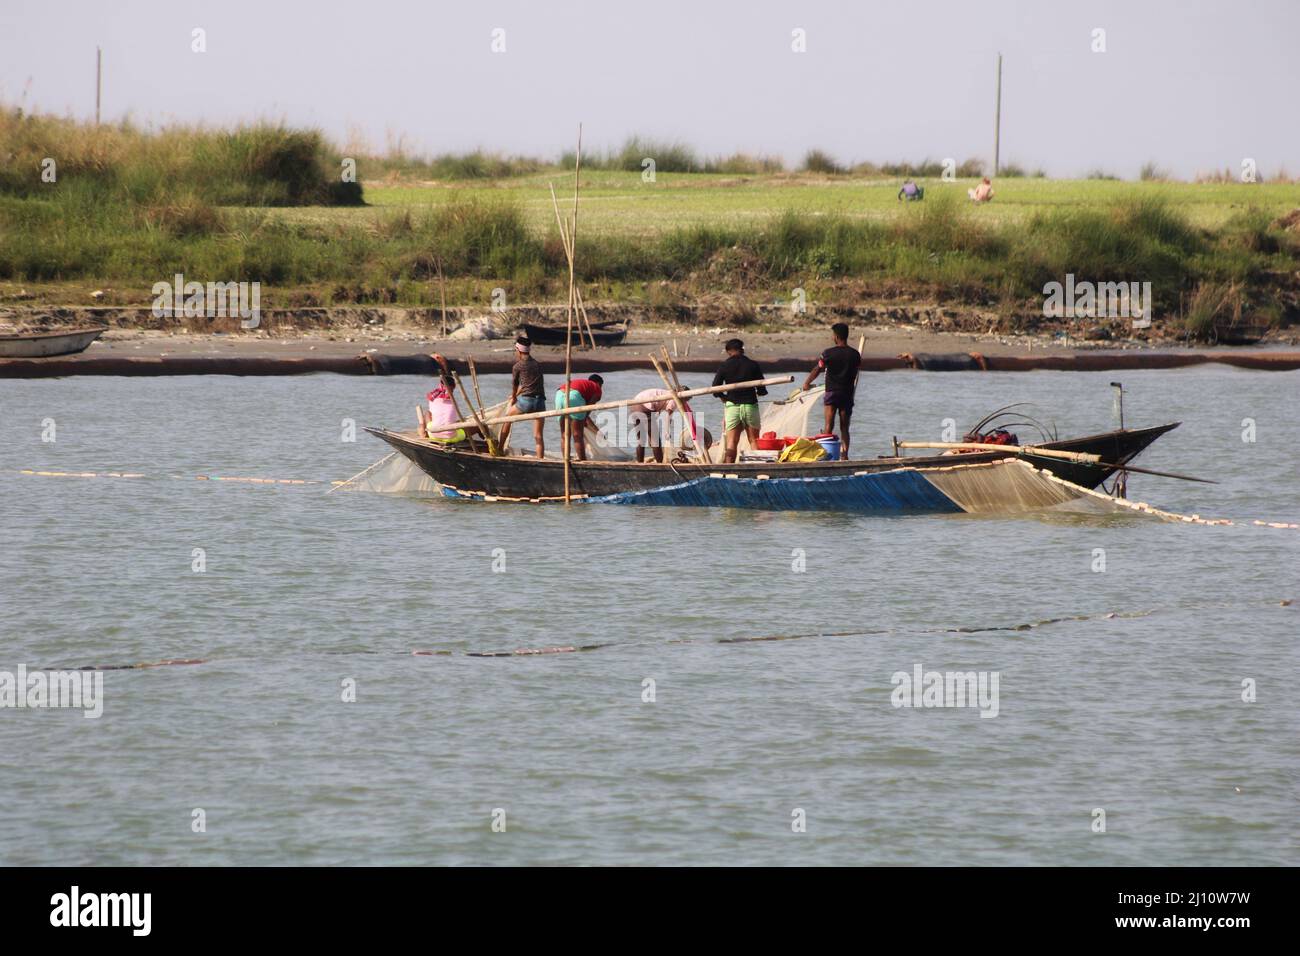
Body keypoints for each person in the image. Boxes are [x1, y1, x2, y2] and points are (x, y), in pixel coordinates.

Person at [801, 322, 860, 460]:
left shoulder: (828, 353)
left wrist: (807, 383)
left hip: (832, 392)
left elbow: (818, 369)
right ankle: (844, 456)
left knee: (828, 425)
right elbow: (856, 371)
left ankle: (828, 455)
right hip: (846, 393)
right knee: (845, 427)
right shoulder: (855, 354)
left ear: (836, 336)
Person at [711, 339, 767, 463]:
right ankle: (757, 468)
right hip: (750, 406)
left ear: (729, 351)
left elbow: (715, 388)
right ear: (742, 349)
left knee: (731, 442)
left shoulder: (725, 365)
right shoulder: (752, 364)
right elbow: (762, 389)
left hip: (733, 407)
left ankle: (728, 469)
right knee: (753, 440)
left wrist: (723, 398)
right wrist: (758, 393)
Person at [500, 336, 545, 458]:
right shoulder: (537, 365)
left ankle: (499, 450)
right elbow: (529, 384)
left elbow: (515, 384)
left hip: (527, 402)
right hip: (540, 402)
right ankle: (540, 459)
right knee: (538, 435)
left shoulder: (517, 366)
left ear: (518, 350)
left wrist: (514, 397)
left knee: (506, 419)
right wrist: (516, 394)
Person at [418, 353, 479, 444]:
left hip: (433, 434)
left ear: (440, 386)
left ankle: (423, 430)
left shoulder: (433, 398)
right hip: (451, 437)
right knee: (477, 427)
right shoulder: (453, 401)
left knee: (427, 413)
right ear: (453, 387)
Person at [628, 387, 698, 463]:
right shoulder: (674, 399)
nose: (686, 402)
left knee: (641, 440)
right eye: (686, 400)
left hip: (633, 406)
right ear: (683, 397)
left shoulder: (666, 393)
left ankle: (640, 463)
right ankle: (660, 464)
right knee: (656, 441)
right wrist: (667, 431)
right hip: (644, 408)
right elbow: (667, 416)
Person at [554, 373, 604, 461]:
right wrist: (584, 420)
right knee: (577, 435)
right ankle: (583, 461)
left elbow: (585, 414)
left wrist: (586, 420)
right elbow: (588, 409)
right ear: (599, 384)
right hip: (574, 396)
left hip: (559, 394)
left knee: (564, 435)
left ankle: (566, 459)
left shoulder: (583, 384)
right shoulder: (597, 388)